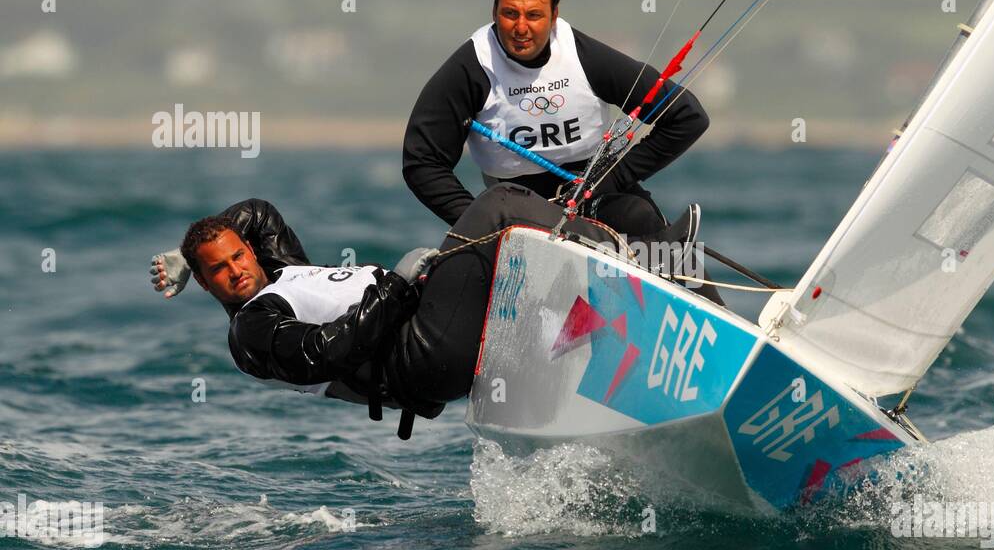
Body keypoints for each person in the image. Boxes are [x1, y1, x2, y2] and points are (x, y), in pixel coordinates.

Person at [149, 185, 699, 433]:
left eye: (237, 256)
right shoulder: (253, 327)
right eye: (217, 271)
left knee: (534, 247)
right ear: (204, 285)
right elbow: (326, 352)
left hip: (422, 333)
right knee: (497, 207)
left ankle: (619, 338)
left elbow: (256, 210)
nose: (235, 271)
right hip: (414, 359)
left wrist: (184, 251)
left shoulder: (282, 271)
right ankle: (651, 265)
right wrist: (397, 288)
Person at [402, 0, 710, 238]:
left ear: (553, 16)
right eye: (510, 14)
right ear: (494, 11)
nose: (520, 27)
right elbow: (421, 160)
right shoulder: (472, 67)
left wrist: (612, 178)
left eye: (534, 15)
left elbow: (687, 117)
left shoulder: (585, 58)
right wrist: (480, 223)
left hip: (597, 194)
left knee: (639, 217)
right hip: (511, 205)